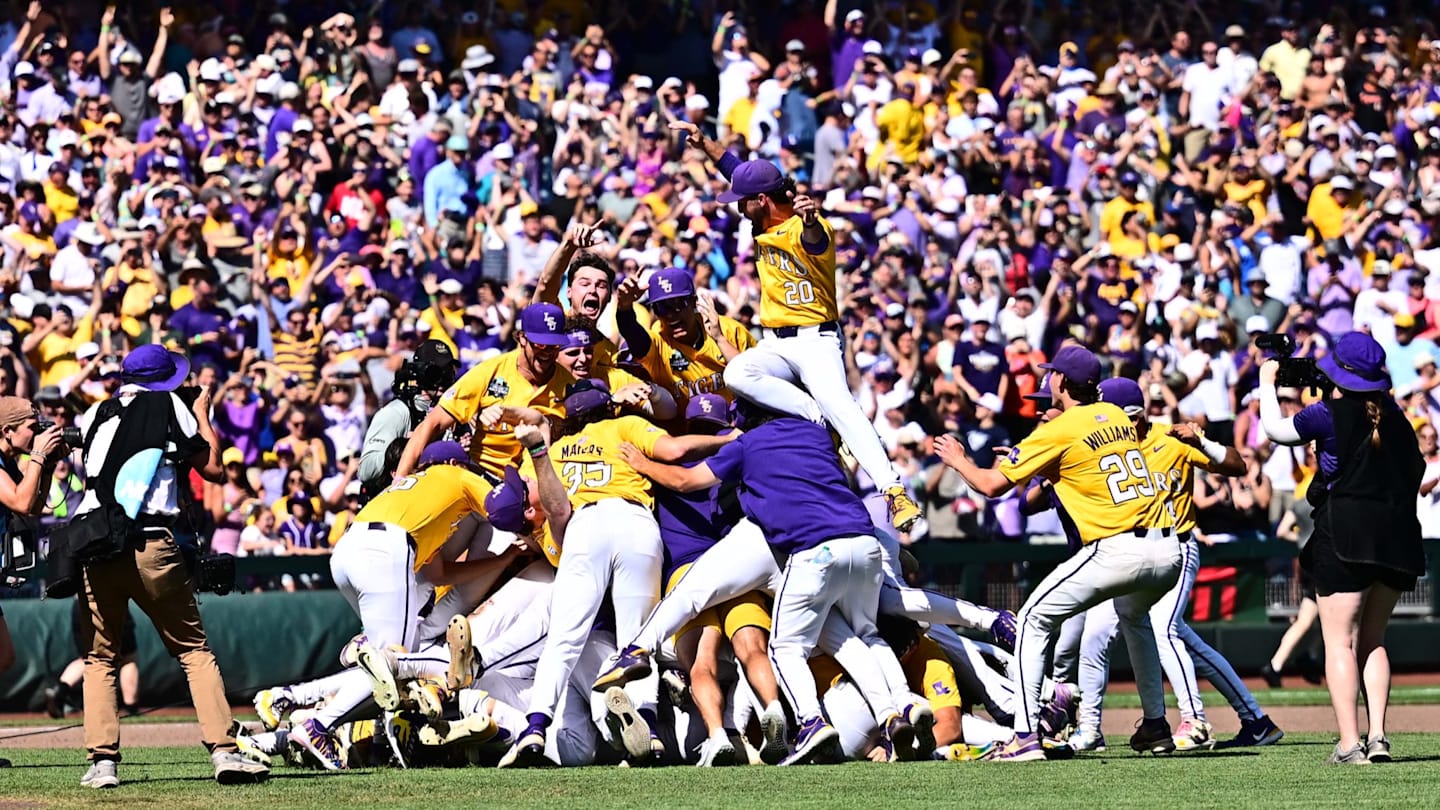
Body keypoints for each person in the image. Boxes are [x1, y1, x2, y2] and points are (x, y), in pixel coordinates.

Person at [612, 395, 929, 767]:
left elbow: (684, 479)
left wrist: (642, 462)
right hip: (830, 547)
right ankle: (892, 709)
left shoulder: (744, 445)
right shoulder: (812, 436)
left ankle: (756, 724)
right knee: (844, 637)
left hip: (767, 553)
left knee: (727, 642)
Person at [668, 120, 922, 535]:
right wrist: (706, 145)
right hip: (777, 342)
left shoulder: (809, 227)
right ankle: (818, 421)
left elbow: (817, 241)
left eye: (743, 201)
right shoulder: (764, 219)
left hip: (816, 339)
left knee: (844, 405)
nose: (736, 206)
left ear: (763, 200)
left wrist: (808, 220)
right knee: (737, 373)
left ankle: (893, 490)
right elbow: (738, 171)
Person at [934, 345, 1182, 761]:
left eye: (1051, 375)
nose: (1048, 380)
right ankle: (1156, 725)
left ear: (1061, 382)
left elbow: (992, 487)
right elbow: (1085, 462)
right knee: (1135, 619)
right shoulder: (1118, 417)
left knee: (1031, 618)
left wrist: (959, 461)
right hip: (1168, 547)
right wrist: (1035, 459)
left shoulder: (1060, 426)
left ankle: (1025, 737)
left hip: (1117, 546)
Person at [497, 379, 736, 768]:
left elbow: (555, 509)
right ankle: (650, 730)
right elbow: (675, 449)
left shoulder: (558, 449)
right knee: (636, 642)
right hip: (634, 522)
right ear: (607, 408)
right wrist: (728, 441)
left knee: (563, 638)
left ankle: (535, 727)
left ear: (570, 416)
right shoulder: (622, 425)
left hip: (584, 527)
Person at [68, 345, 268, 787]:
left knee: (100, 656)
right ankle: (224, 752)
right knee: (194, 651)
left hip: (97, 544)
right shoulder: (173, 404)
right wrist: (201, 414)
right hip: (151, 542)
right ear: (166, 379)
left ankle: (102, 764)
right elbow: (214, 469)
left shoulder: (96, 413)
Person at [1067, 377, 1283, 753]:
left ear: (1133, 415)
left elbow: (1236, 465)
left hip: (1177, 546)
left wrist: (1204, 442)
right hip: (1129, 555)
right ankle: (1254, 719)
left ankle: (1194, 721)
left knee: (1164, 628)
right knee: (1106, 634)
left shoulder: (1171, 439)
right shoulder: (1103, 446)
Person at [1258, 332, 1426, 765]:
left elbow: (1274, 429)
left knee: (1339, 643)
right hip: (1397, 537)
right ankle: (1379, 738)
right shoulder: (1399, 418)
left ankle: (1351, 744)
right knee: (1374, 640)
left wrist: (1266, 379)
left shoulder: (1329, 414)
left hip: (1346, 533)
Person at [0, 396, 64, 767]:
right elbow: (21, 503)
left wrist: (48, 461)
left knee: (4, 656)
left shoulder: (8, 461)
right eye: (31, 428)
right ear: (7, 431)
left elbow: (37, 505)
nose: (37, 433)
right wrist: (39, 456)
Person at [358, 339, 459, 494]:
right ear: (420, 374)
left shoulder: (454, 412)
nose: (442, 382)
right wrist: (406, 447)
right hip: (391, 502)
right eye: (435, 374)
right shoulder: (397, 412)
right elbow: (366, 470)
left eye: (448, 374)